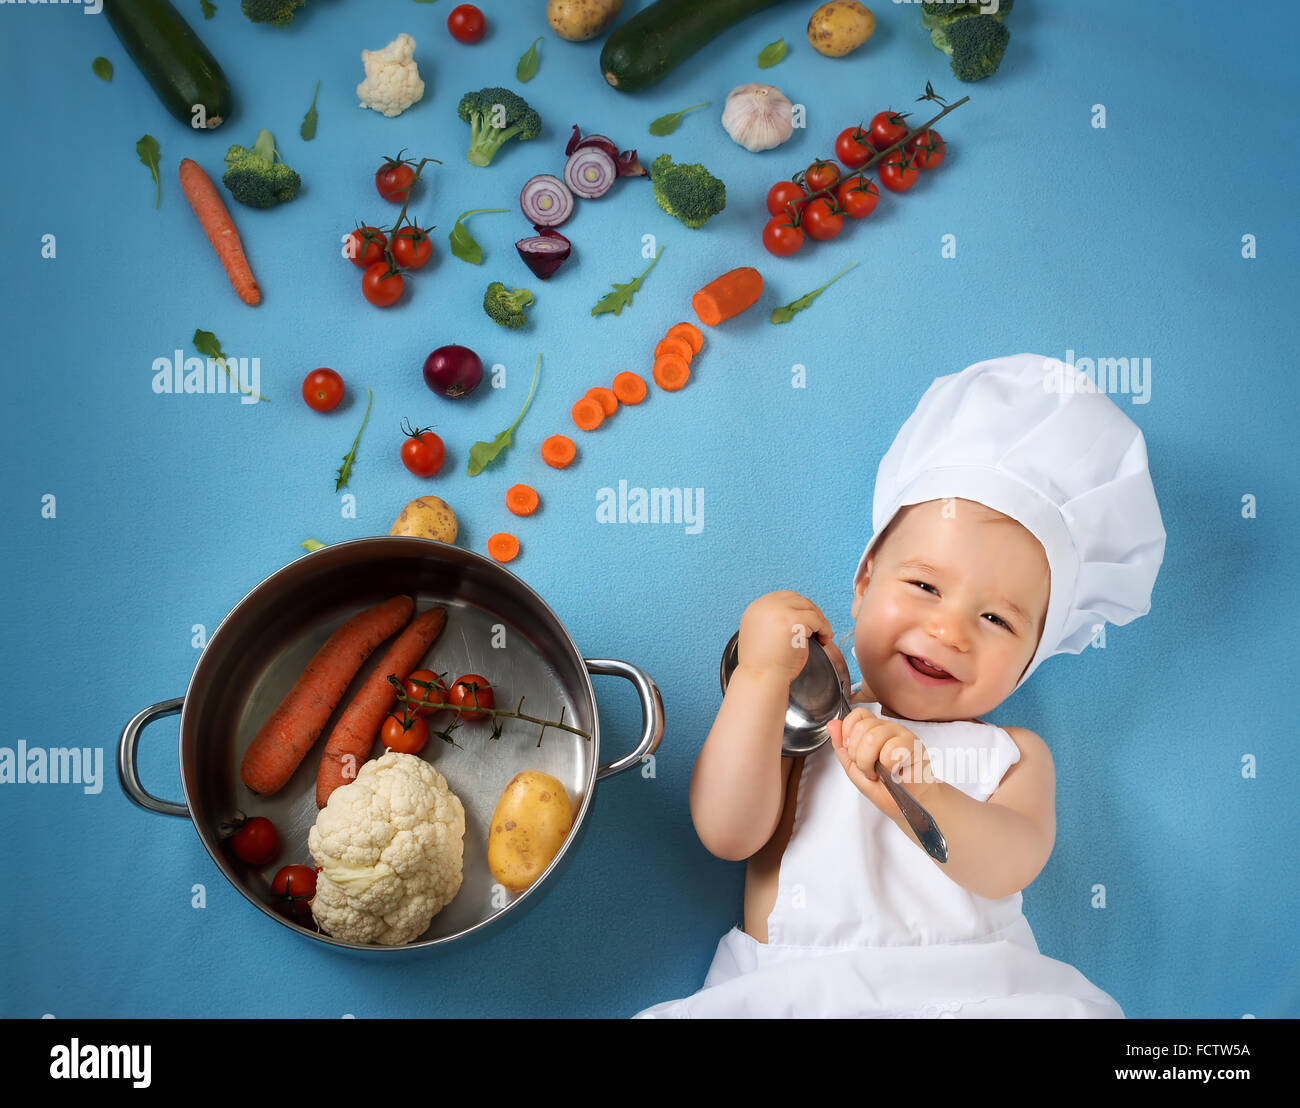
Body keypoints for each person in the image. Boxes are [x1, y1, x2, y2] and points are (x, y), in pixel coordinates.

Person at [634, 353, 1166, 1018]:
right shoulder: (810, 721)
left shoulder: (1015, 755)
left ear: (1034, 656)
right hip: (793, 991)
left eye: (997, 619)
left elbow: (1010, 864)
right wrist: (761, 678)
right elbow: (727, 832)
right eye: (924, 586)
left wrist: (918, 790)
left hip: (974, 994)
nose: (949, 631)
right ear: (862, 585)